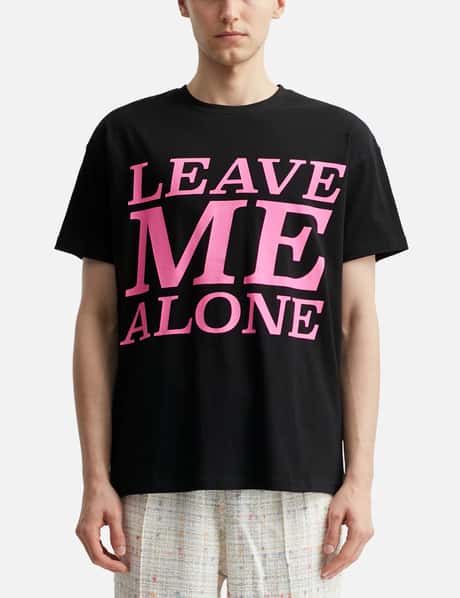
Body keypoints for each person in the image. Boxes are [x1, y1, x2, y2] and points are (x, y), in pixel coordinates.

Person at [53, 1, 409, 596]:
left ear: (279, 3)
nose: (229, 11)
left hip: (299, 478)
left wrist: (361, 478)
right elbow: (98, 319)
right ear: (183, 4)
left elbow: (356, 321)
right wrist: (95, 478)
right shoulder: (126, 136)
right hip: (155, 473)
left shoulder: (340, 137)